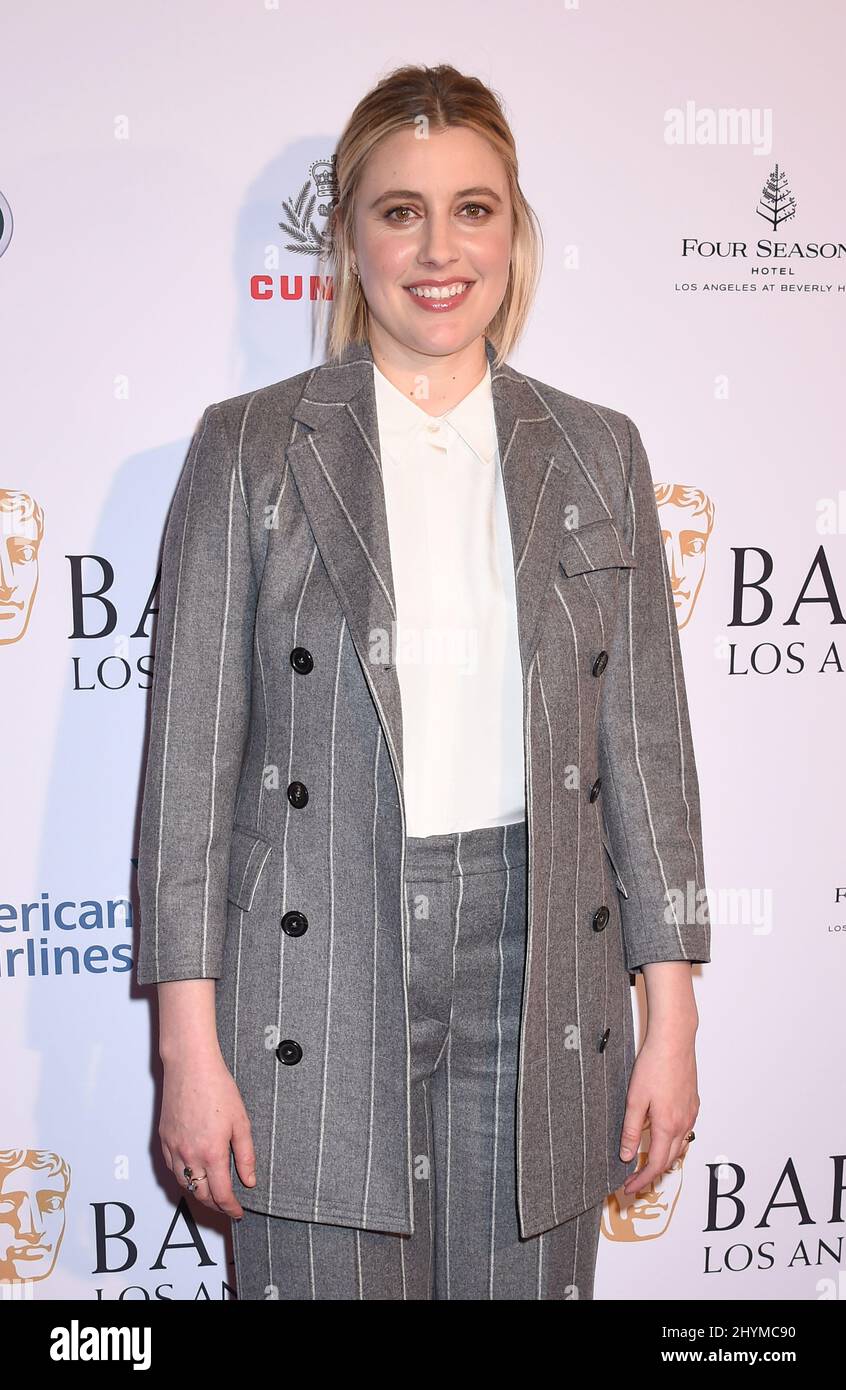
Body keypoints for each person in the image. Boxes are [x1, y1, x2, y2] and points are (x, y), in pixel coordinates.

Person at [136, 63, 711, 1301]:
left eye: (474, 208)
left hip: (541, 961)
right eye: (401, 211)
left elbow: (646, 755)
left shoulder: (596, 449)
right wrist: (189, 1043)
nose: (439, 248)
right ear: (347, 235)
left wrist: (675, 1016)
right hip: (316, 969)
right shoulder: (248, 446)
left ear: (516, 230)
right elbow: (190, 777)